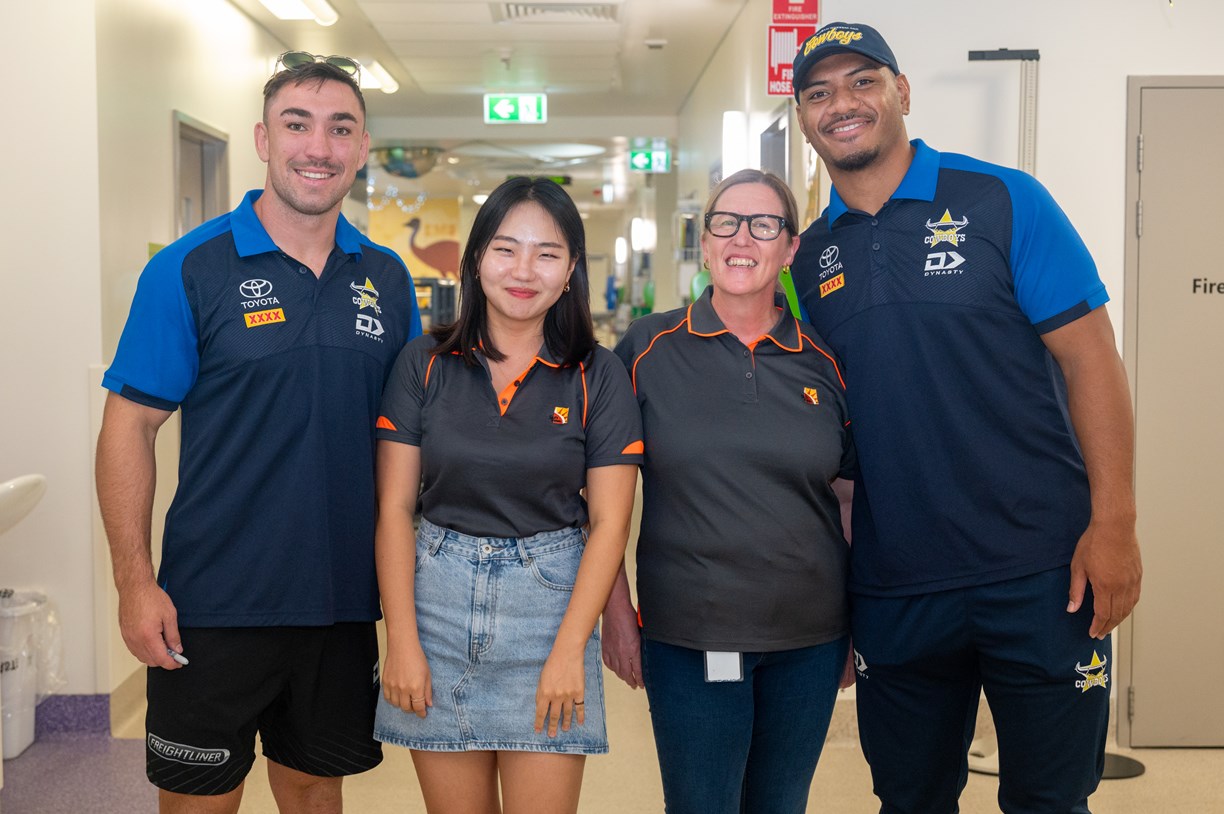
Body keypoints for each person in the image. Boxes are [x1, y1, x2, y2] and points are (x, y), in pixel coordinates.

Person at [789, 22, 1142, 813]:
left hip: (1043, 570)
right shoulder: (807, 261)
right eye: (818, 92)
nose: (842, 103)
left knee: (1052, 800)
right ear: (804, 119)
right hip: (896, 584)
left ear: (902, 92)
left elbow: (1092, 360)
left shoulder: (1003, 200)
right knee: (909, 800)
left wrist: (1114, 523)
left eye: (863, 81)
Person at [96, 52, 421, 813]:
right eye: (297, 124)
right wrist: (135, 583)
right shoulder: (190, 269)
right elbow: (130, 426)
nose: (319, 147)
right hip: (212, 605)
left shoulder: (386, 277)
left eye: (340, 128)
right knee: (201, 801)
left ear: (362, 147)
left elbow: (406, 442)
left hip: (343, 600)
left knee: (313, 791)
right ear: (263, 139)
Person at [371, 176, 642, 814]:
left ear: (571, 270)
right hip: (436, 613)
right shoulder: (423, 363)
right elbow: (394, 511)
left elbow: (610, 524)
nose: (524, 270)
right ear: (475, 260)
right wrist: (401, 641)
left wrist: (571, 650)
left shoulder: (597, 374)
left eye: (547, 254)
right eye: (505, 248)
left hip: (551, 614)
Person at [602, 169, 855, 814]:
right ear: (706, 242)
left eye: (764, 225)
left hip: (810, 638)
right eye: (726, 223)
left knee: (781, 803)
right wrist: (615, 610)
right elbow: (597, 497)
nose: (743, 238)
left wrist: (859, 622)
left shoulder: (824, 360)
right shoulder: (646, 349)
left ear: (790, 249)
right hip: (691, 634)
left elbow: (849, 500)